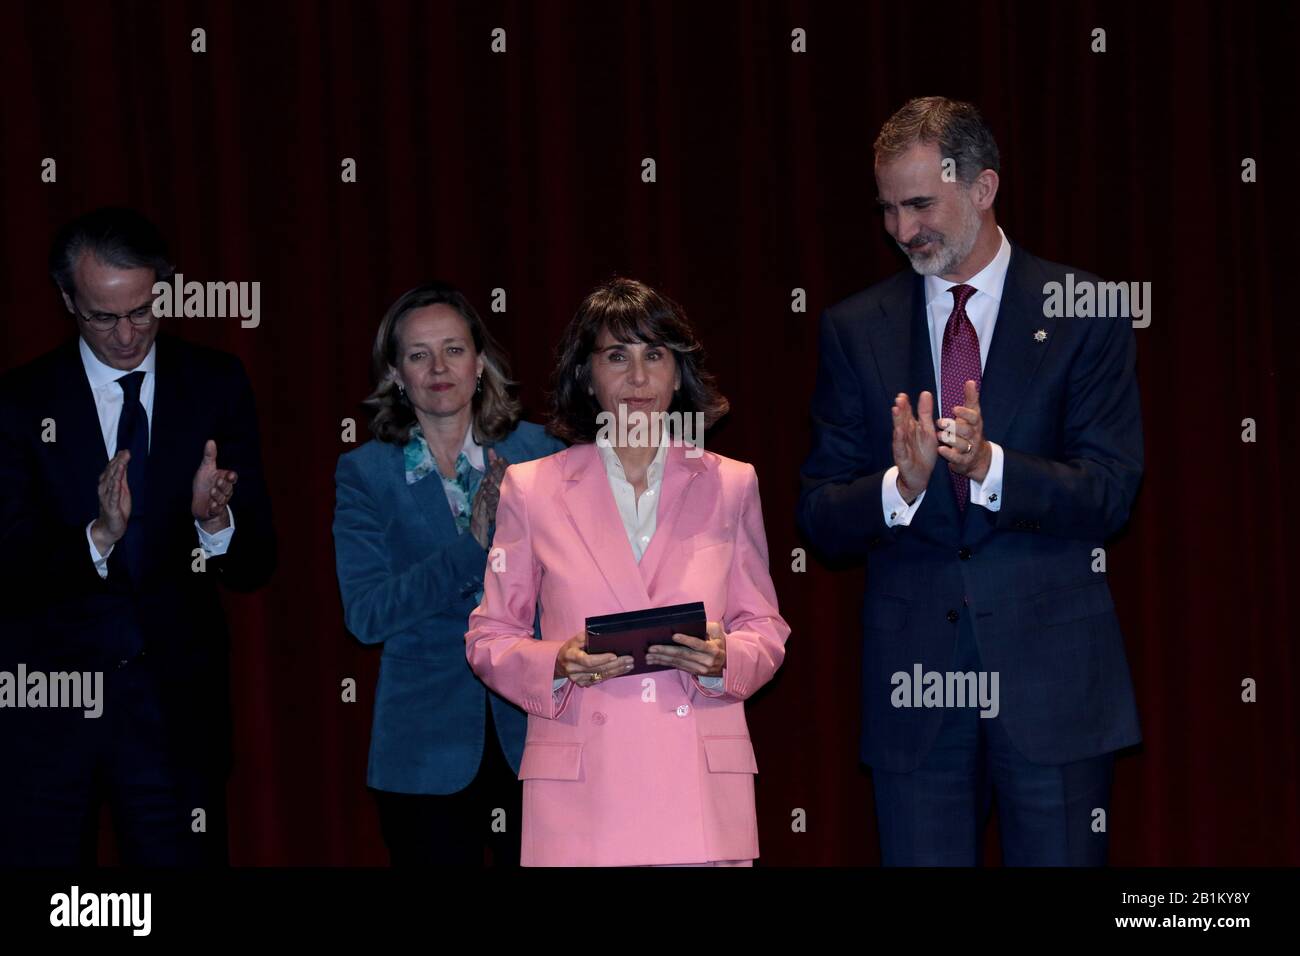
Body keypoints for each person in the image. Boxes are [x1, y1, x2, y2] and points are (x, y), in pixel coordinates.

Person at [798, 97, 1143, 866]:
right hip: (913, 688)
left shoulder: (1083, 311)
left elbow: (1110, 492)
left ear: (983, 188)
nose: (900, 228)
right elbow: (819, 512)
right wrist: (903, 487)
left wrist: (992, 470)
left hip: (1053, 683)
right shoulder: (855, 328)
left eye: (920, 203)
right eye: (888, 208)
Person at [466, 277, 789, 867]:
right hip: (581, 800)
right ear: (587, 376)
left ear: (677, 372)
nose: (638, 378)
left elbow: (764, 626)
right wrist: (556, 662)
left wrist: (725, 658)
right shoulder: (531, 488)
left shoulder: (731, 483)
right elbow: (489, 637)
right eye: (617, 355)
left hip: (699, 792)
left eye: (654, 356)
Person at [0, 206, 276, 865]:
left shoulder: (215, 384)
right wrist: (96, 536)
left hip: (179, 718)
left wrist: (215, 524)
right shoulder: (17, 404)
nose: (128, 334)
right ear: (67, 298)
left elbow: (256, 563)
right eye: (103, 316)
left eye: (144, 310)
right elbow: (8, 569)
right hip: (50, 721)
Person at [333, 281, 563, 866]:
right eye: (419, 354)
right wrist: (472, 548)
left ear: (480, 362)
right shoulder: (366, 474)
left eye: (454, 350)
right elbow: (366, 615)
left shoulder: (542, 454)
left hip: (538, 738)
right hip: (422, 752)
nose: (439, 368)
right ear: (395, 375)